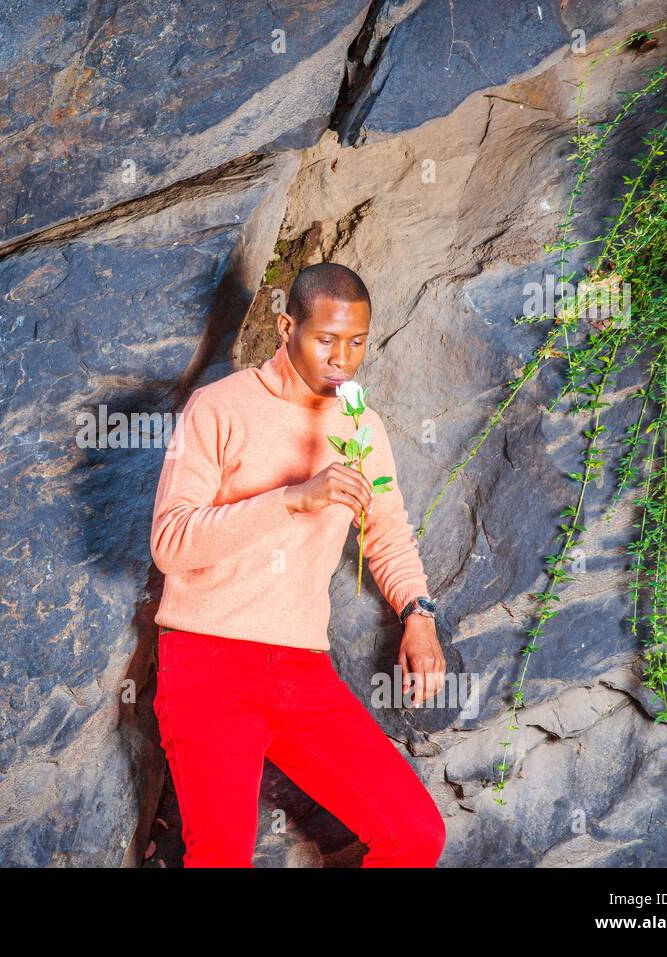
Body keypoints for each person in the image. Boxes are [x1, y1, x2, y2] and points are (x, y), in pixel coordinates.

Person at [149, 261, 447, 867]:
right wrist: (291, 499)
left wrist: (418, 615)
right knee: (221, 858)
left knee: (415, 833)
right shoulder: (218, 407)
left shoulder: (360, 424)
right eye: (326, 339)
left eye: (357, 342)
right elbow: (171, 543)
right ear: (287, 328)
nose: (343, 358)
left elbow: (386, 531)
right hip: (208, 662)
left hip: (302, 671)